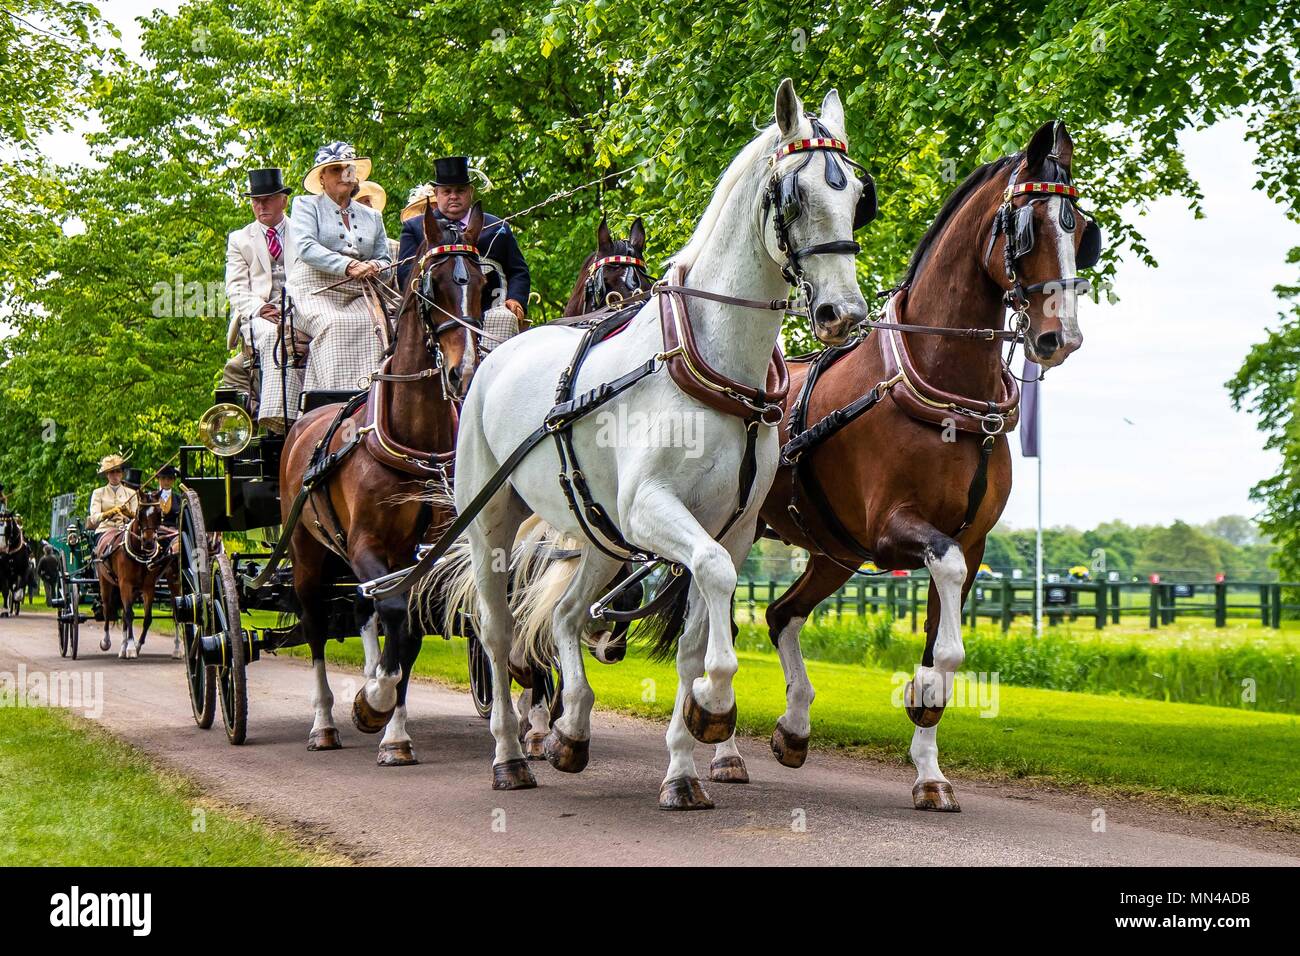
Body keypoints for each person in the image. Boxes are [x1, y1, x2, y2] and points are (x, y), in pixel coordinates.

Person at [287, 142, 392, 395]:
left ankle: (373, 399)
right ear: (322, 178)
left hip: (361, 293)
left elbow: (386, 261)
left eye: (348, 169)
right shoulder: (305, 205)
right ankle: (333, 401)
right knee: (335, 323)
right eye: (335, 170)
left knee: (379, 326)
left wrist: (375, 266)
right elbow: (306, 247)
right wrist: (348, 265)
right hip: (314, 291)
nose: (344, 174)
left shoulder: (372, 217)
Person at [396, 156, 530, 349]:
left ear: (470, 192)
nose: (453, 196)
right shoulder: (416, 228)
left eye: (460, 191)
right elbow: (405, 275)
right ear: (436, 193)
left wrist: (516, 299)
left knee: (504, 319)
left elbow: (518, 270)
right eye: (447, 191)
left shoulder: (497, 227)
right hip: (438, 310)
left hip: (492, 307)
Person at [224, 167, 305, 433]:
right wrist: (261, 308)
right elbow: (235, 288)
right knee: (274, 336)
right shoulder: (239, 239)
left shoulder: (303, 232)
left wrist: (292, 308)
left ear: (283, 200)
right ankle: (276, 416)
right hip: (258, 315)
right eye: (255, 201)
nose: (261, 205)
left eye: (267, 199)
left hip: (300, 308)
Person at [156, 465, 180, 530]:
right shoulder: (151, 497)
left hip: (173, 534)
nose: (166, 481)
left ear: (174, 480)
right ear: (158, 479)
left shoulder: (179, 499)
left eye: (170, 478)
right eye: (163, 478)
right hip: (155, 533)